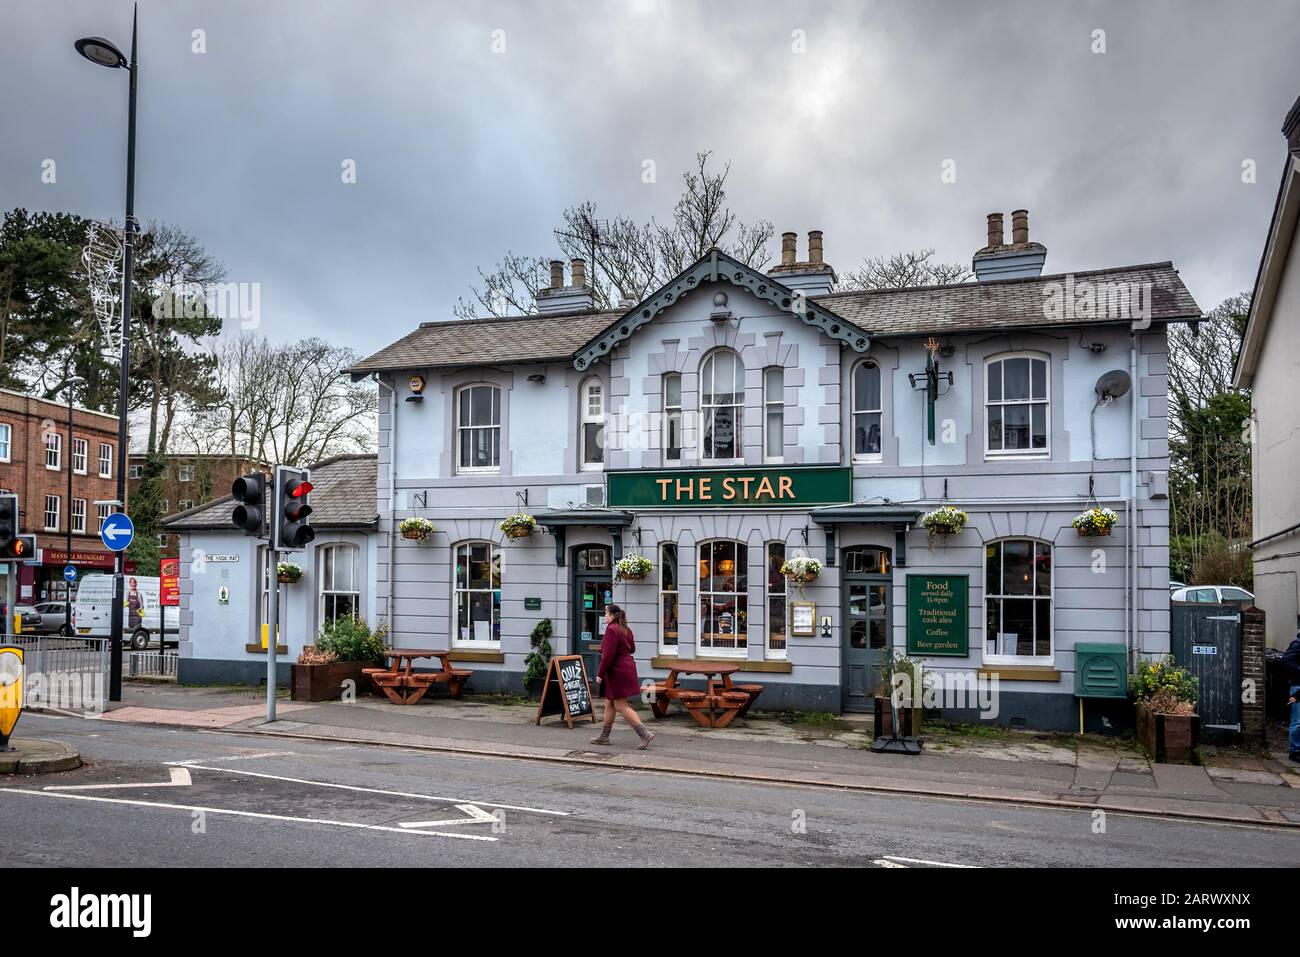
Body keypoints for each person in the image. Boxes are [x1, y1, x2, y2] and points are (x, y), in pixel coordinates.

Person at [590, 603, 654, 749]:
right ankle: (604, 736)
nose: (604, 616)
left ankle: (644, 734)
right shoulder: (626, 629)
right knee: (609, 703)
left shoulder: (611, 630)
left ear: (612, 615)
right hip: (626, 667)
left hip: (617, 671)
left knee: (621, 705)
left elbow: (607, 656)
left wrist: (599, 674)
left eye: (606, 613)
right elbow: (632, 649)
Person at [1282, 630, 1300, 761]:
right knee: (1298, 721)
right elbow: (1287, 659)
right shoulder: (1298, 644)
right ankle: (1294, 751)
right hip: (1298, 686)